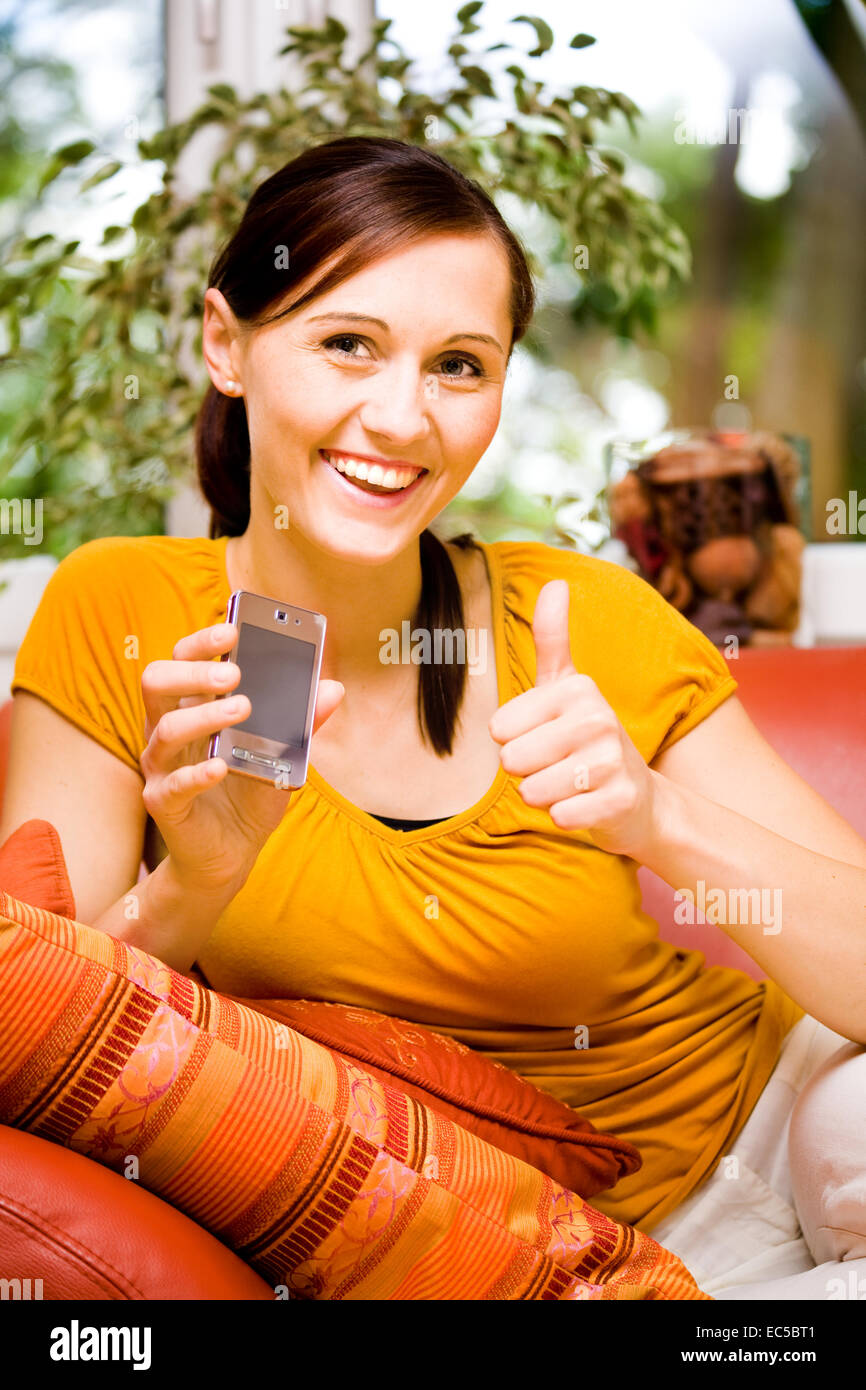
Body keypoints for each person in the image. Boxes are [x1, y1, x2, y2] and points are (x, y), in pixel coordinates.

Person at [3, 136, 865, 1300]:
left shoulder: (579, 614)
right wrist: (191, 886)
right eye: (346, 342)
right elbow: (37, 1018)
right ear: (227, 344)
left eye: (459, 366)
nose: (401, 417)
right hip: (515, 1256)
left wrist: (658, 820)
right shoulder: (124, 609)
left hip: (778, 1128)